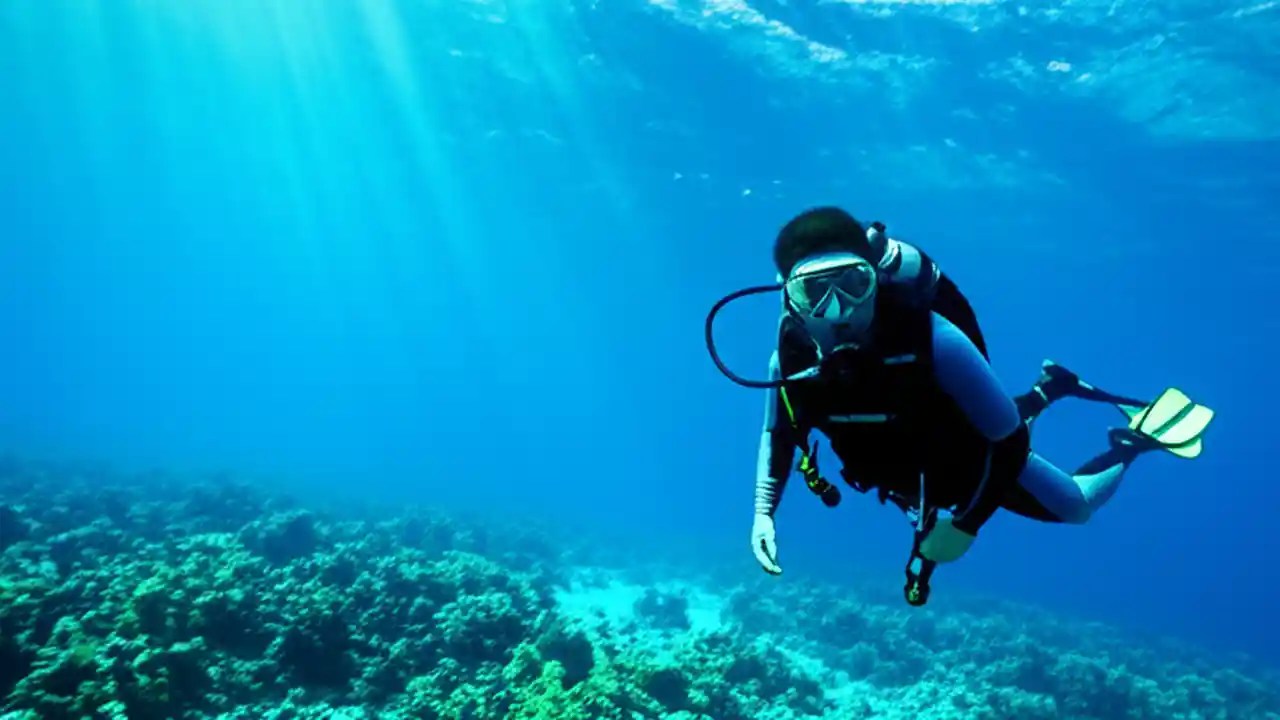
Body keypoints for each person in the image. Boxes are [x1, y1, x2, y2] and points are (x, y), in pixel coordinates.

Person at [704, 206, 1215, 605]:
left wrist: (967, 526)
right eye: (816, 292)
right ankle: (1049, 388)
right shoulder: (787, 361)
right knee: (977, 409)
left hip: (972, 460)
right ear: (788, 298)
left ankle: (1129, 445)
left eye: (854, 285)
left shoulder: (934, 340)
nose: (838, 312)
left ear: (875, 280)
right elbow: (780, 434)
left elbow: (1008, 440)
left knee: (1075, 508)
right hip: (910, 467)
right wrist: (763, 514)